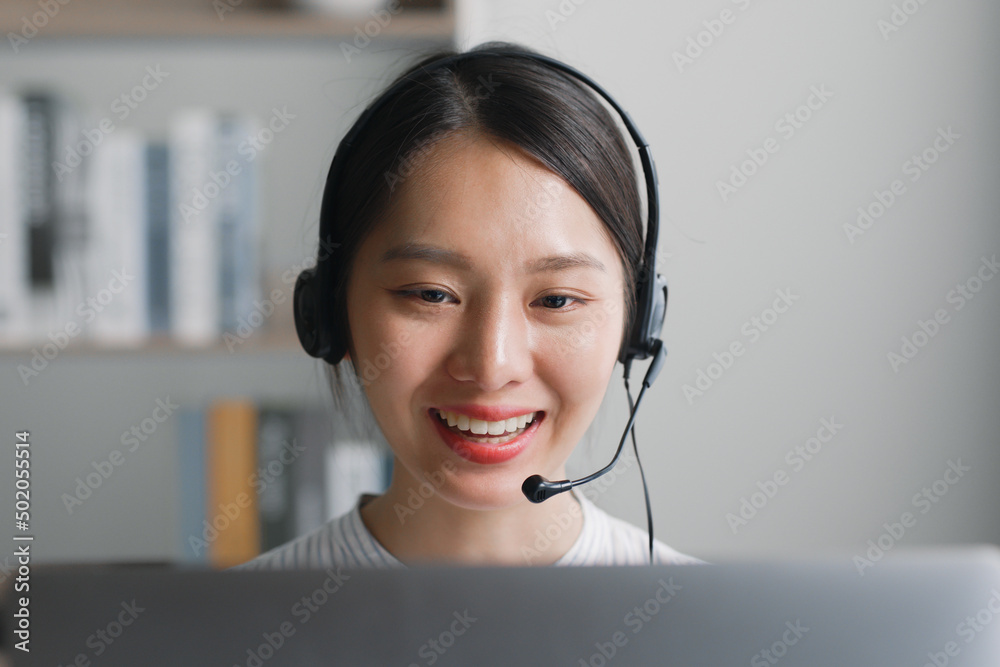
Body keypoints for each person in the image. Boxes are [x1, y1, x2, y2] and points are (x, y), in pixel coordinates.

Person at [238, 41, 701, 570]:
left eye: (555, 299)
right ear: (331, 314)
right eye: (432, 294)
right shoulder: (221, 637)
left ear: (635, 325)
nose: (491, 365)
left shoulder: (723, 636)